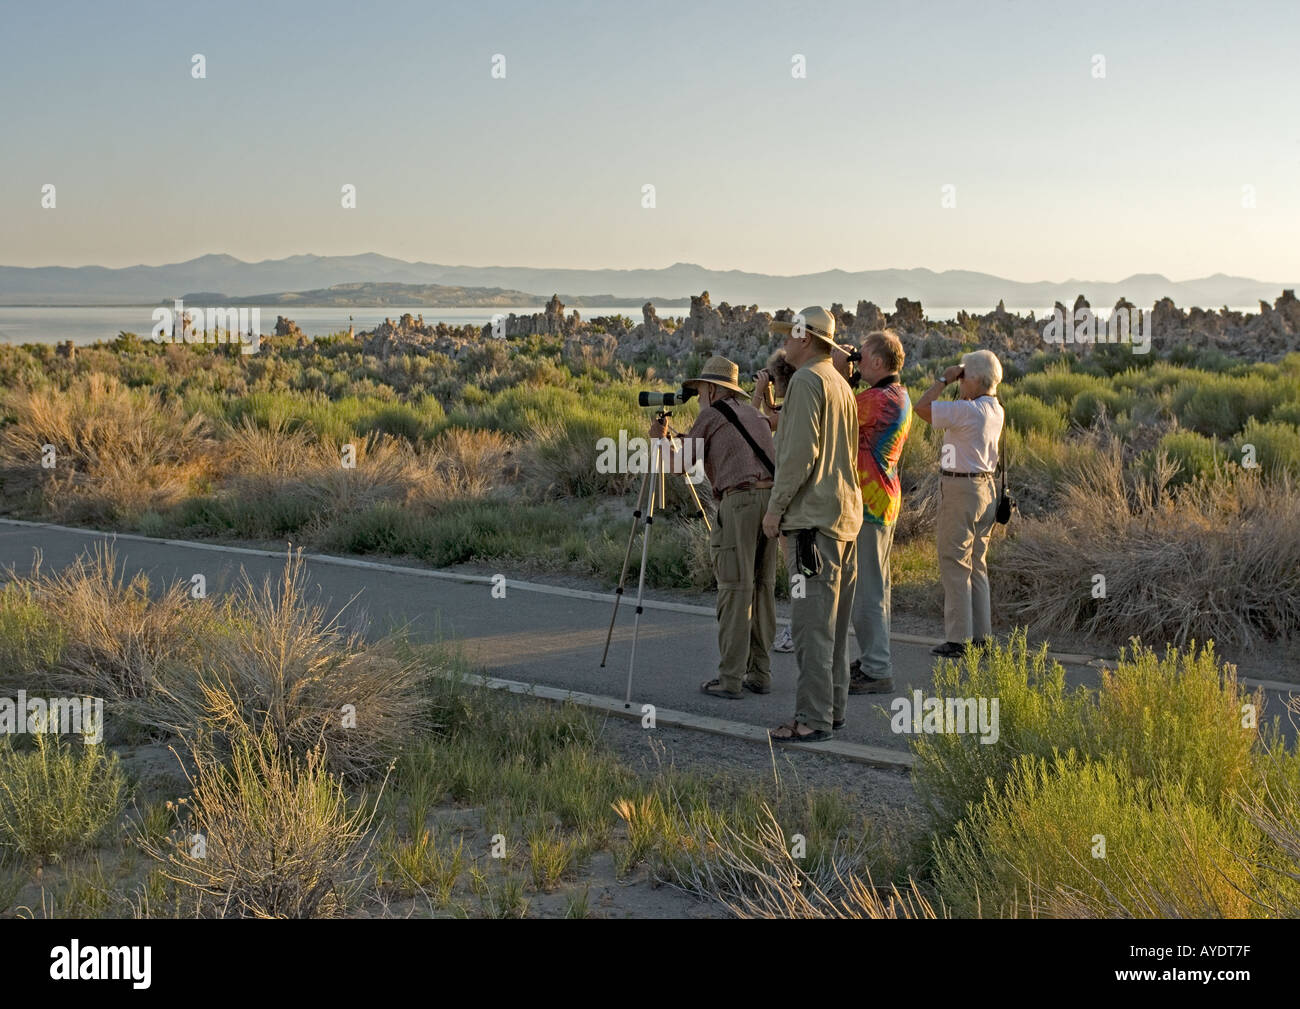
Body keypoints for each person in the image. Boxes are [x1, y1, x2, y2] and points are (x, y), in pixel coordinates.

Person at [761, 307, 863, 743]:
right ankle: (832, 710)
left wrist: (774, 509)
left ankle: (811, 718)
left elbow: (799, 455)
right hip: (843, 519)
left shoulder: (805, 382)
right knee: (834, 627)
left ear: (805, 338)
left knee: (808, 626)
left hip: (811, 527)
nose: (785, 342)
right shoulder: (839, 383)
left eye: (790, 334)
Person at [649, 356, 778, 699]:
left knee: (735, 589)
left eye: (700, 390)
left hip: (739, 504)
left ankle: (730, 678)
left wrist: (659, 440)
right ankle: (760, 673)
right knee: (762, 589)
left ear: (711, 389)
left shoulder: (709, 415)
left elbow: (678, 466)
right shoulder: (753, 413)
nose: (699, 396)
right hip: (770, 504)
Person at [833, 330, 912, 693]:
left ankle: (877, 669)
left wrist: (837, 374)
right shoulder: (897, 395)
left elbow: (836, 413)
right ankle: (872, 659)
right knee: (877, 586)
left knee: (867, 590)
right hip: (884, 498)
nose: (856, 360)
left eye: (862, 356)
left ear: (879, 362)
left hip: (870, 501)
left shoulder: (878, 400)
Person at [914, 349, 1005, 658]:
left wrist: (943, 379)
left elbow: (922, 408)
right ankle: (982, 638)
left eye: (964, 376)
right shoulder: (995, 410)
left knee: (954, 562)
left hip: (960, 489)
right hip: (986, 490)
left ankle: (958, 639)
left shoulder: (967, 412)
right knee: (977, 565)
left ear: (976, 379)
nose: (960, 381)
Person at [753, 348, 798, 652]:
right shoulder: (795, 405)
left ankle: (797, 629)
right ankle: (801, 627)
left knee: (796, 570)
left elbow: (751, 425)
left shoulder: (789, 411)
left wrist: (758, 392)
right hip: (798, 497)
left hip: (788, 499)